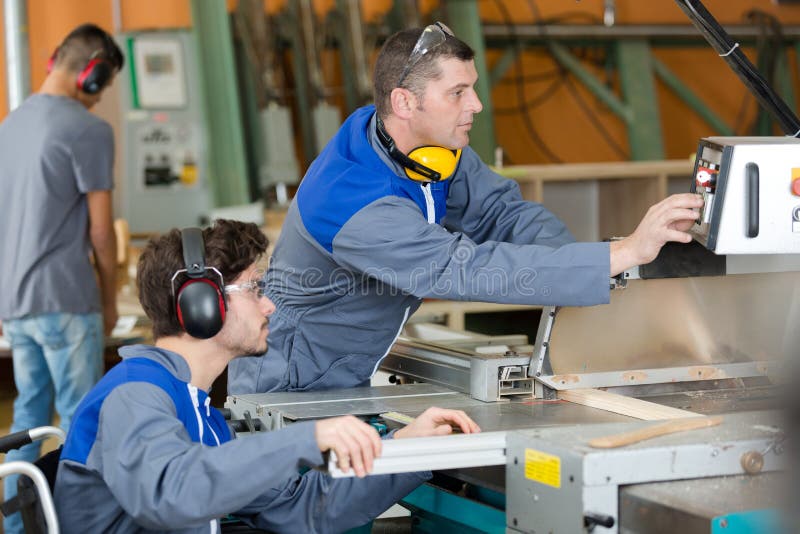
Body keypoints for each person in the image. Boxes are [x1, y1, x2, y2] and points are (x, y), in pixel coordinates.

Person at [228, 22, 703, 394]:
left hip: (349, 370)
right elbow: (464, 269)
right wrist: (619, 255)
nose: (476, 104)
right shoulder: (354, 203)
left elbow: (504, 215)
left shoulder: (421, 149)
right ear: (404, 102)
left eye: (472, 88)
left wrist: (598, 288)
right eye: (457, 93)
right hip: (291, 387)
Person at [53, 219, 480, 533]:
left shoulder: (202, 416)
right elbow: (170, 494)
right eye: (254, 289)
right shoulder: (135, 395)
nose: (269, 305)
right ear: (202, 304)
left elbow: (305, 508)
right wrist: (307, 438)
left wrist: (407, 449)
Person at [0, 23, 123, 533]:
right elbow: (101, 232)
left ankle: (15, 528)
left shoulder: (9, 126)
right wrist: (110, 299)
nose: (99, 98)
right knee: (80, 419)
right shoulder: (88, 129)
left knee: (27, 419)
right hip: (66, 300)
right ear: (92, 75)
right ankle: (78, 526)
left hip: (16, 303)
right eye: (103, 87)